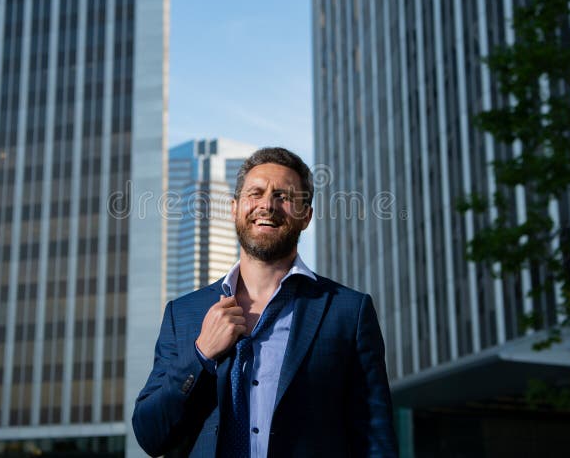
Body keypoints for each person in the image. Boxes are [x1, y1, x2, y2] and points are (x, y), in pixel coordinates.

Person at [133, 147, 397, 457]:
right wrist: (201, 354)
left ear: (306, 216)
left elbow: (376, 439)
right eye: (255, 193)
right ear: (234, 208)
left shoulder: (349, 312)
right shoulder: (182, 314)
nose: (267, 205)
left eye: (283, 197)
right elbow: (150, 435)